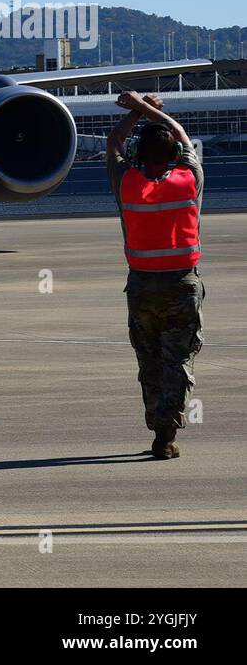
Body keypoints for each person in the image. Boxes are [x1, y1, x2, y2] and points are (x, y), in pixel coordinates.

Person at [106, 91, 204, 460]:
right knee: (177, 359)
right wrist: (151, 110)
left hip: (142, 286)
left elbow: (114, 142)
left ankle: (156, 424)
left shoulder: (127, 182)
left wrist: (133, 112)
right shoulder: (188, 179)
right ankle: (165, 433)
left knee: (148, 361)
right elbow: (179, 132)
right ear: (176, 155)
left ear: (137, 156)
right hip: (182, 284)